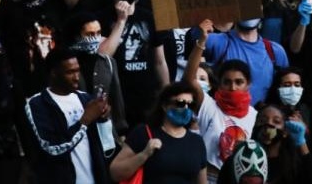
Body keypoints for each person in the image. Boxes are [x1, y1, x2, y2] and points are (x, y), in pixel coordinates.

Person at [25, 47, 112, 184]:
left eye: (78, 70)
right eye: (70, 72)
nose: (77, 77)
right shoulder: (37, 104)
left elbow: (107, 146)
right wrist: (85, 120)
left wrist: (103, 118)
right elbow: (52, 149)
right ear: (54, 73)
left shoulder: (86, 99)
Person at [186, 20, 258, 177]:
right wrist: (202, 42)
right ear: (219, 84)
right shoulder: (209, 106)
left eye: (239, 82)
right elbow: (189, 80)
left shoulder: (254, 115)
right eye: (227, 82)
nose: (232, 87)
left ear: (248, 84)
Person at [109, 83, 208, 184]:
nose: (186, 108)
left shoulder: (197, 142)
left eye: (190, 105)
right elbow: (115, 172)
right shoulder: (143, 133)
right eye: (180, 103)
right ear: (165, 106)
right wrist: (144, 155)